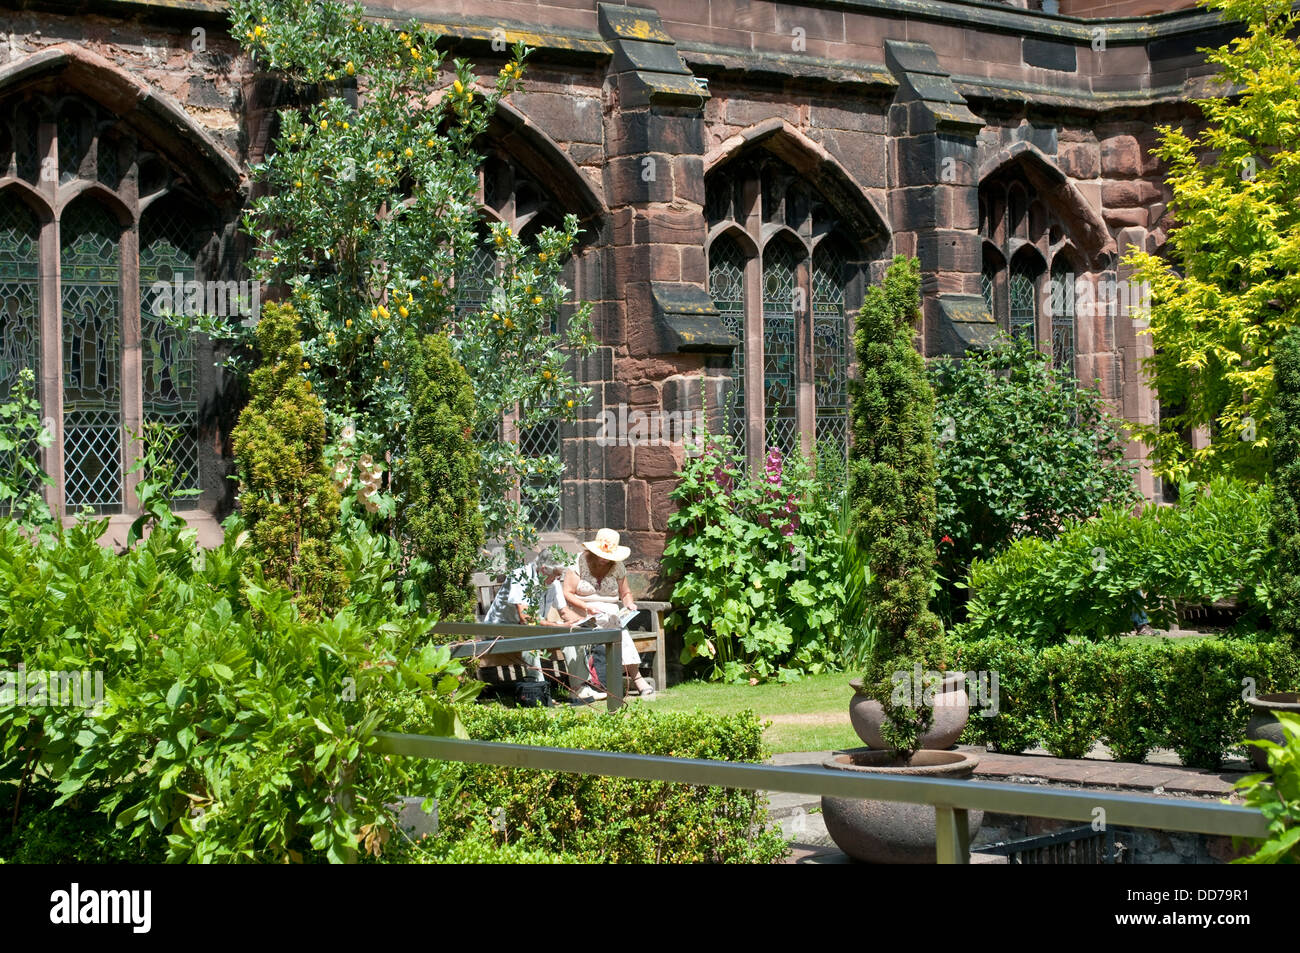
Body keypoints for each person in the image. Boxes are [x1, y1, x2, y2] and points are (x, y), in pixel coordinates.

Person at [483, 553, 604, 701]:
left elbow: (564, 612)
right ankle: (540, 693)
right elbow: (526, 617)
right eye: (555, 575)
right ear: (543, 569)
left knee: (574, 635)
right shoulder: (520, 577)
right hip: (502, 631)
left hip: (532, 629)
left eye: (559, 576)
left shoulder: (552, 581)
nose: (557, 579)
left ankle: (579, 690)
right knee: (530, 641)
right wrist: (556, 626)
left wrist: (582, 621)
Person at [563, 528, 656, 698]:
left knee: (619, 631)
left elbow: (625, 593)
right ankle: (619, 682)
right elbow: (567, 592)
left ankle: (637, 679)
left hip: (611, 617)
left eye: (609, 557)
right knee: (613, 630)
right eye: (602, 555)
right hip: (584, 615)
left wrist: (629, 604)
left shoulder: (617, 566)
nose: (605, 560)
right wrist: (586, 607)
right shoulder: (579, 562)